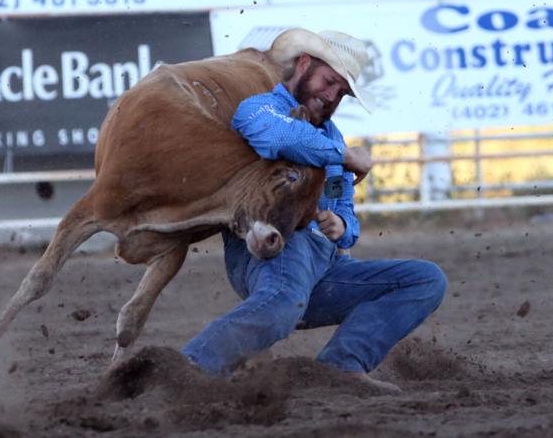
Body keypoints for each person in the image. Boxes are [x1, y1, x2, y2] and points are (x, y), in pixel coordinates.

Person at [181, 28, 447, 392]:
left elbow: (346, 209)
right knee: (283, 301)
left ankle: (341, 367)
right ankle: (189, 368)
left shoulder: (333, 138)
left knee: (425, 279)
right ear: (304, 64)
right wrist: (344, 155)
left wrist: (342, 225)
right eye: (330, 81)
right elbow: (278, 138)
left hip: (325, 263)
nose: (332, 96)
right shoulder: (260, 109)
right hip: (276, 244)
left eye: (342, 92)